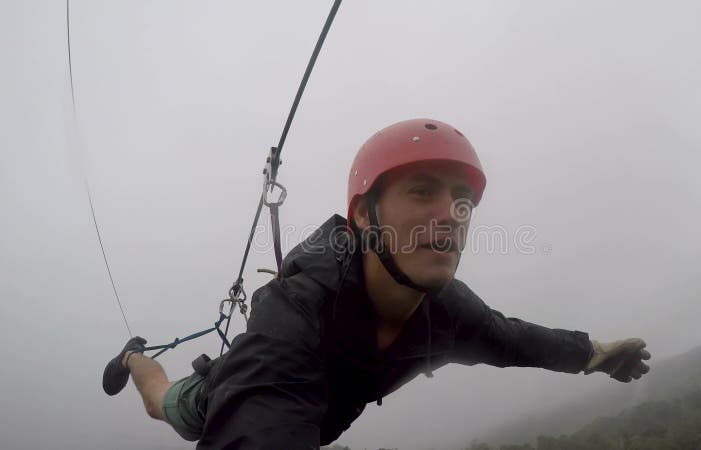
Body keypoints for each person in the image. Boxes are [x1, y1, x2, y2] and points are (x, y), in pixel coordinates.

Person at [102, 118, 651, 449]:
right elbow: (262, 413)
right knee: (161, 403)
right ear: (364, 216)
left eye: (462, 201)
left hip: (320, 420)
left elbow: (512, 339)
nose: (451, 214)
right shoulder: (299, 306)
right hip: (226, 396)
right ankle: (133, 359)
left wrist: (592, 353)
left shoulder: (450, 313)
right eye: (421, 192)